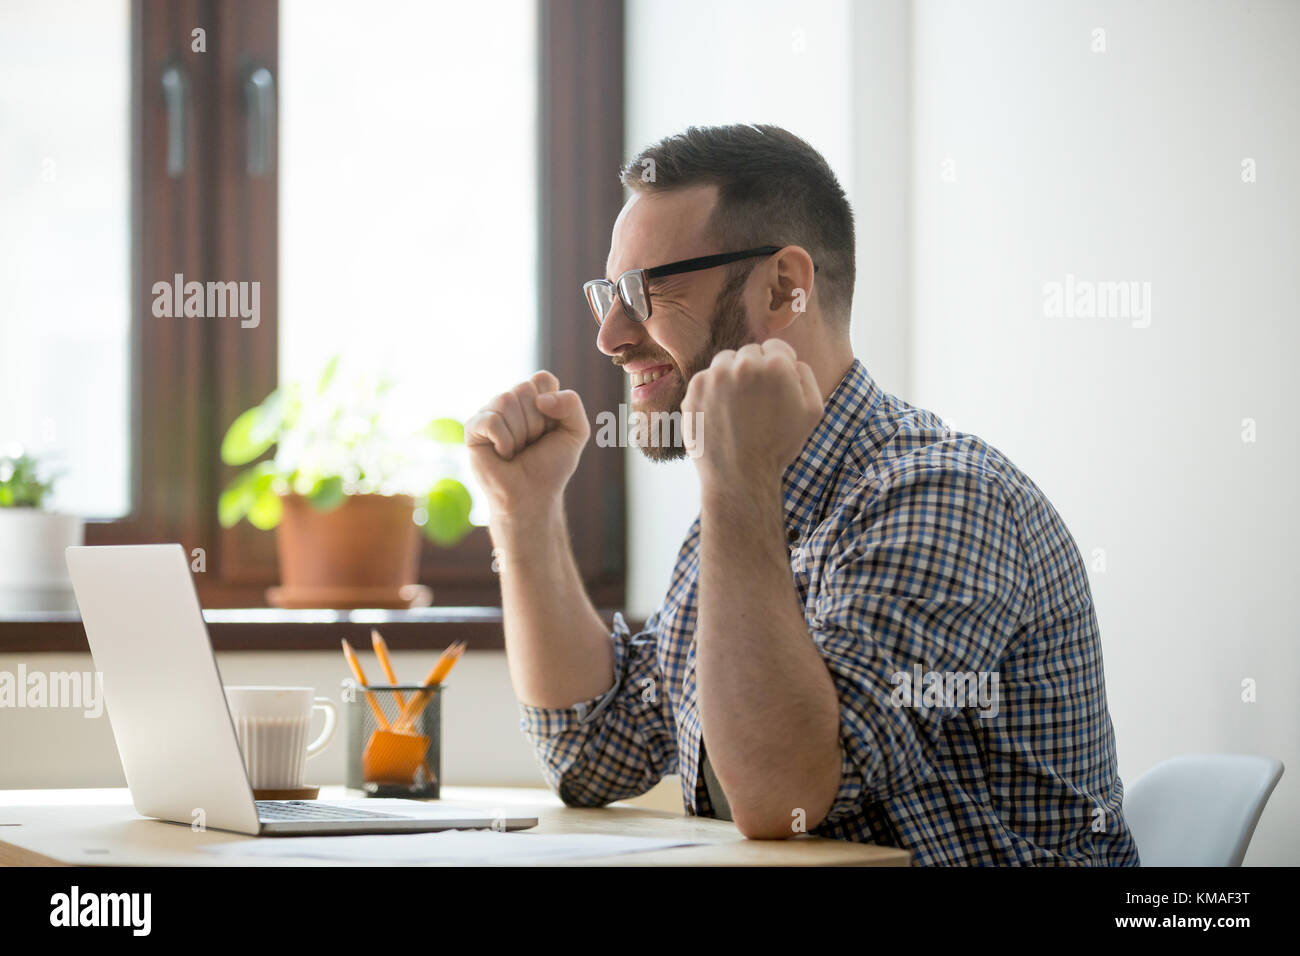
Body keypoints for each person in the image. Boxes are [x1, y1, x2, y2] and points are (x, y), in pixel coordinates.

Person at [466, 123, 1140, 866]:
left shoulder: (943, 497)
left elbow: (782, 797)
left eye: (643, 290)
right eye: (607, 295)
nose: (612, 336)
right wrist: (523, 513)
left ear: (786, 285)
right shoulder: (745, 516)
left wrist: (736, 484)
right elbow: (593, 753)